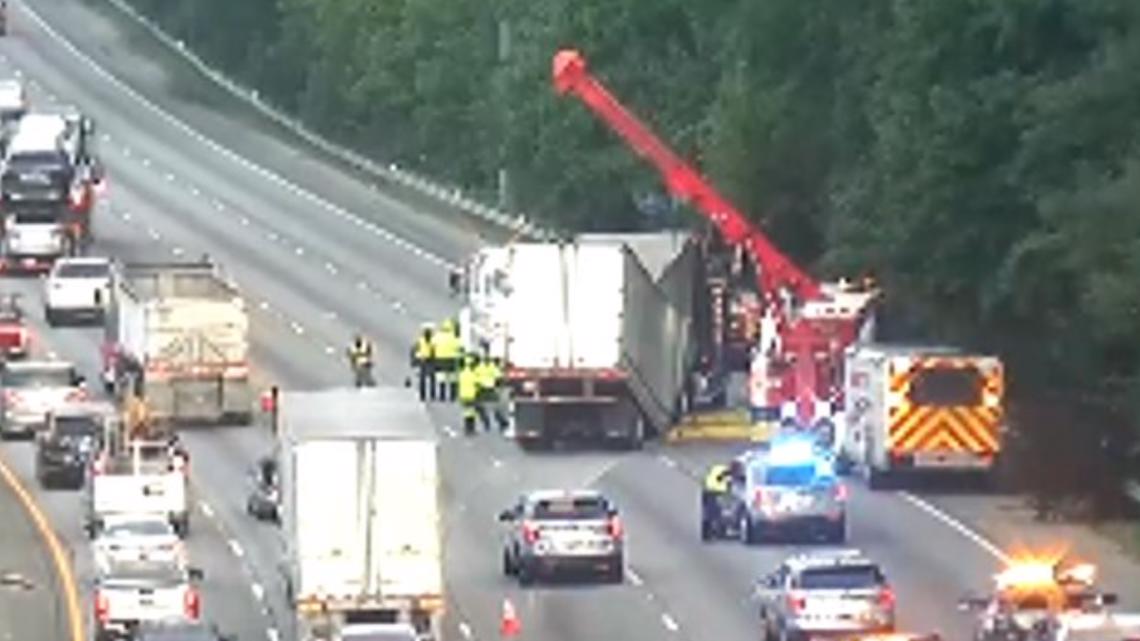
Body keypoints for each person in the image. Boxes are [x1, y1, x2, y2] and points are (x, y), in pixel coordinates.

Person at [474, 348, 507, 432]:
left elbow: (499, 377)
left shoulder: (490, 367)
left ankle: (501, 422)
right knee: (480, 407)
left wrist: (498, 385)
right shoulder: (480, 367)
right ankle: (489, 423)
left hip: (489, 389)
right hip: (482, 388)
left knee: (493, 407)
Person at [431, 319, 461, 401]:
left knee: (441, 378)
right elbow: (459, 346)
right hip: (451, 359)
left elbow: (432, 344)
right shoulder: (454, 337)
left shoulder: (438, 336)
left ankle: (442, 395)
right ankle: (453, 396)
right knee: (453, 378)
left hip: (440, 359)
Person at [701, 463, 732, 538]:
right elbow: (728, 484)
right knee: (715, 513)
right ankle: (715, 531)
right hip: (714, 493)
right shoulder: (725, 473)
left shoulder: (716, 470)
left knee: (708, 514)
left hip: (708, 492)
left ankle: (708, 532)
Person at [457, 355, 484, 435]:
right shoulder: (473, 374)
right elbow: (478, 383)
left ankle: (468, 429)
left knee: (467, 411)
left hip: (463, 394)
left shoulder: (463, 372)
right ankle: (470, 429)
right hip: (471, 395)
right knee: (471, 413)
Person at [410, 323, 436, 401]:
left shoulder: (420, 341)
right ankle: (431, 395)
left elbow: (413, 351)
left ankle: (424, 395)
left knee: (424, 379)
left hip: (423, 361)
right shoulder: (433, 341)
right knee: (430, 378)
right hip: (428, 361)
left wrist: (414, 361)